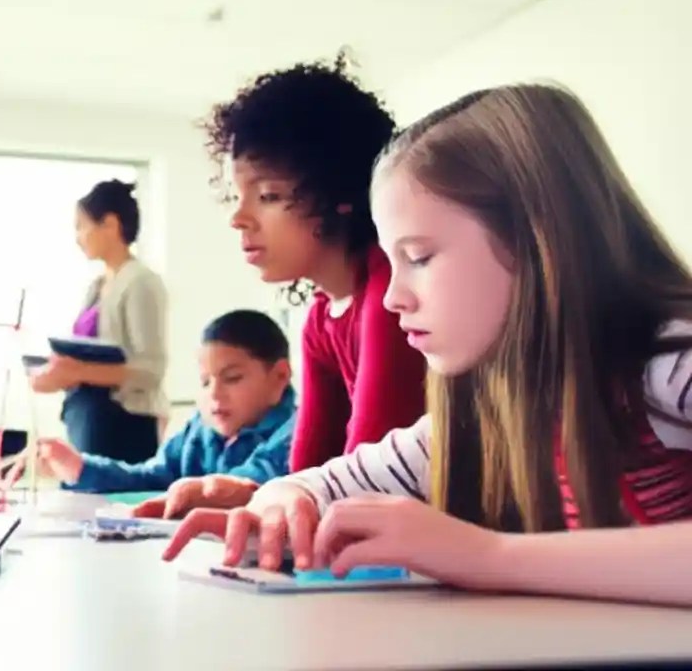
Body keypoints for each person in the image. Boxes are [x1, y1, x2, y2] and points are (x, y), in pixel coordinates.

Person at [164, 84, 692, 608]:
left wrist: (486, 556)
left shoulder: (667, 363)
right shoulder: (483, 408)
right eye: (391, 262)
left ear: (536, 240)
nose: (392, 297)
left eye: (418, 257)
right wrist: (283, 503)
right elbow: (321, 482)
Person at [209, 55, 425, 473]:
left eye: (268, 196)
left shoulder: (390, 292)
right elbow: (310, 469)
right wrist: (254, 494)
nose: (238, 218)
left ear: (339, 192)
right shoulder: (321, 321)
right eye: (236, 197)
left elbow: (368, 474)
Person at [38, 310, 295, 517]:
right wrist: (79, 467)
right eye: (205, 382)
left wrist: (191, 494)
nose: (215, 394)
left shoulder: (295, 433)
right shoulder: (200, 429)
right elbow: (151, 480)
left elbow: (252, 487)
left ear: (279, 377)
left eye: (232, 378)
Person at [31, 179, 167, 463]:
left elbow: (150, 369)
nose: (77, 237)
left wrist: (77, 371)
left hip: (122, 423)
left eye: (81, 226)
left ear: (110, 224)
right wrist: (56, 372)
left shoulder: (140, 282)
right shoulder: (96, 286)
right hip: (86, 415)